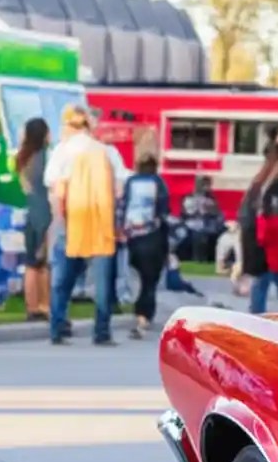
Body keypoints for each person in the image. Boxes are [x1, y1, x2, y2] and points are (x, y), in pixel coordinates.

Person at [48, 104, 120, 346]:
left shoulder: (63, 151)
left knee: (63, 280)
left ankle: (57, 327)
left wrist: (60, 218)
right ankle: (101, 331)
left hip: (73, 220)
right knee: (102, 283)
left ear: (68, 126)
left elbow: (56, 186)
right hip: (101, 222)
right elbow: (119, 188)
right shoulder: (107, 152)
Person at [240, 129, 278, 314]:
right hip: (269, 238)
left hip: (262, 237)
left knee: (265, 280)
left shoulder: (262, 182)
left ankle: (260, 314)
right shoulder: (275, 184)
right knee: (274, 279)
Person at [119, 153, 170, 339]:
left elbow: (122, 206)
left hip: (133, 237)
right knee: (150, 281)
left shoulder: (130, 182)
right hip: (153, 237)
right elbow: (164, 211)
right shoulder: (158, 183)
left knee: (138, 277)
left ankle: (139, 312)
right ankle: (144, 316)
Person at [17, 117, 52, 321]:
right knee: (45, 263)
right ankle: (45, 305)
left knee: (31, 263)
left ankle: (31, 307)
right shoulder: (46, 158)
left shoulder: (23, 158)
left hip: (30, 211)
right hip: (45, 212)